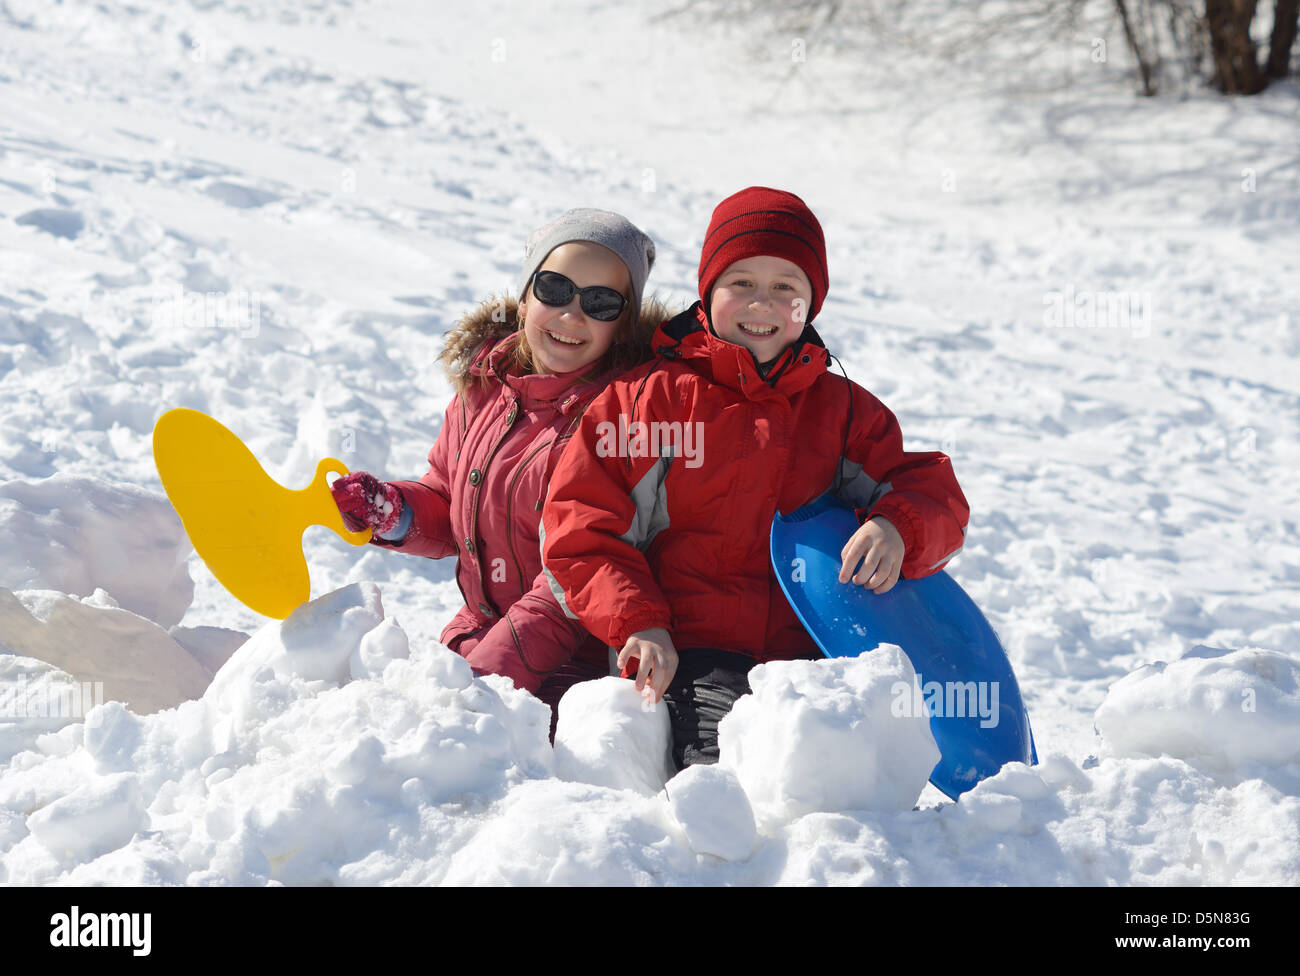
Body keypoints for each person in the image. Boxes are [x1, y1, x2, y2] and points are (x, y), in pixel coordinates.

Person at [539, 187, 970, 769]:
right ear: (707, 290)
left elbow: (930, 491)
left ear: (810, 304)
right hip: (693, 654)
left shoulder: (843, 413)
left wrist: (899, 526)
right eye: (741, 282)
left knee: (843, 788)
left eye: (785, 288)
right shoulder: (648, 404)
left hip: (819, 655)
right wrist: (640, 622)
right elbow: (581, 530)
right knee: (731, 780)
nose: (761, 304)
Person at [330, 209, 666, 729]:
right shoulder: (485, 386)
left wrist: (486, 674)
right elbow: (450, 501)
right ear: (527, 293)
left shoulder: (620, 418)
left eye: (600, 303)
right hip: (478, 642)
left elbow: (573, 578)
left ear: (621, 325)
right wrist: (395, 511)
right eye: (555, 289)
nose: (571, 315)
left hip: (574, 671)